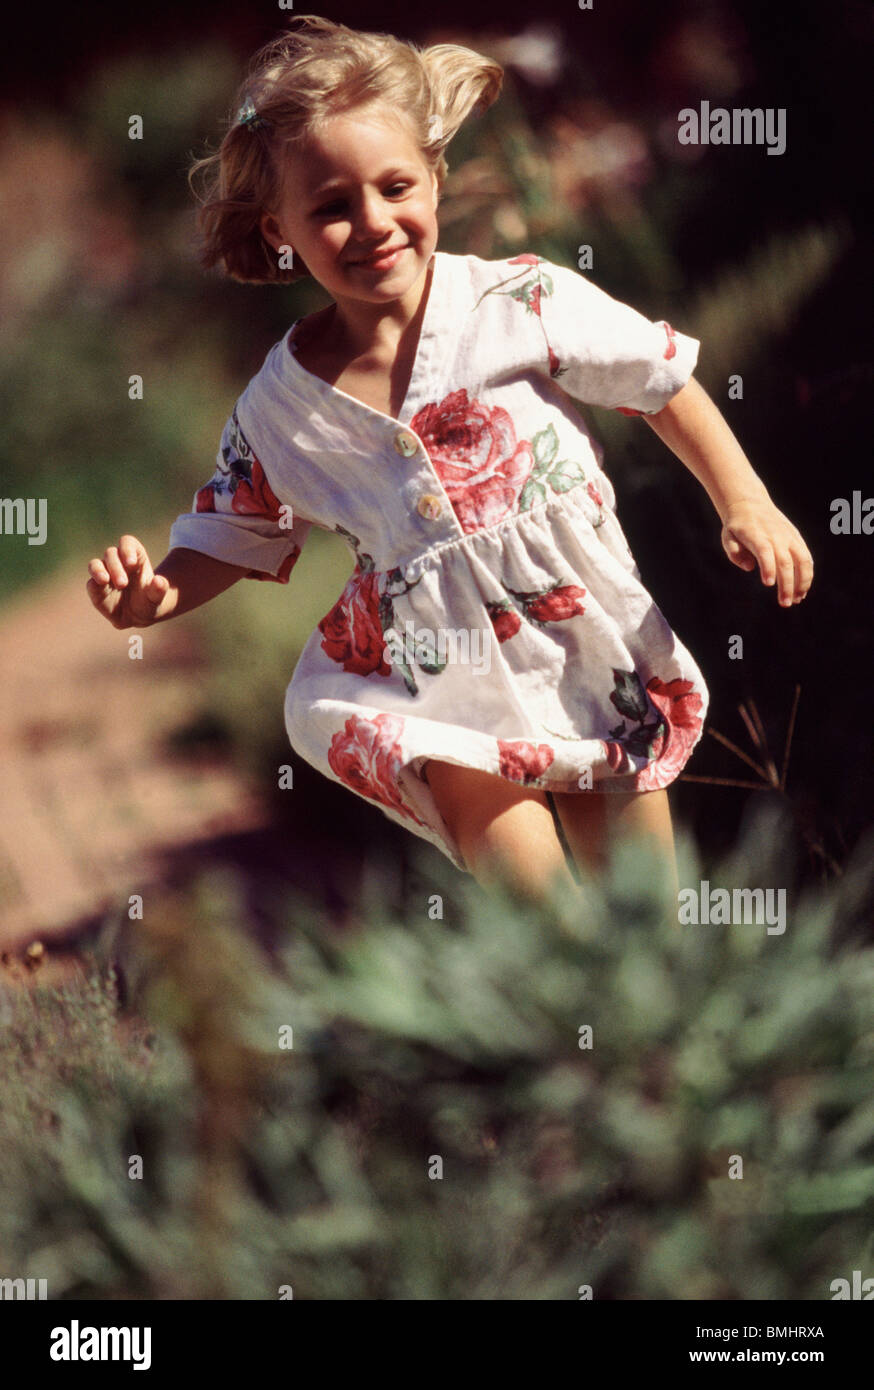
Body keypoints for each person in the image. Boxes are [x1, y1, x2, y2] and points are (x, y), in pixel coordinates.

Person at [86, 15, 813, 905]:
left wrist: (746, 501)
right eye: (331, 207)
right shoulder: (278, 408)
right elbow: (232, 535)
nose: (373, 223)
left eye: (396, 187)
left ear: (435, 176)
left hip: (590, 656)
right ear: (279, 227)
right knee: (551, 919)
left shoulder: (522, 299)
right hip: (435, 689)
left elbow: (660, 380)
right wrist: (155, 596)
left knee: (645, 922)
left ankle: (637, 1042)